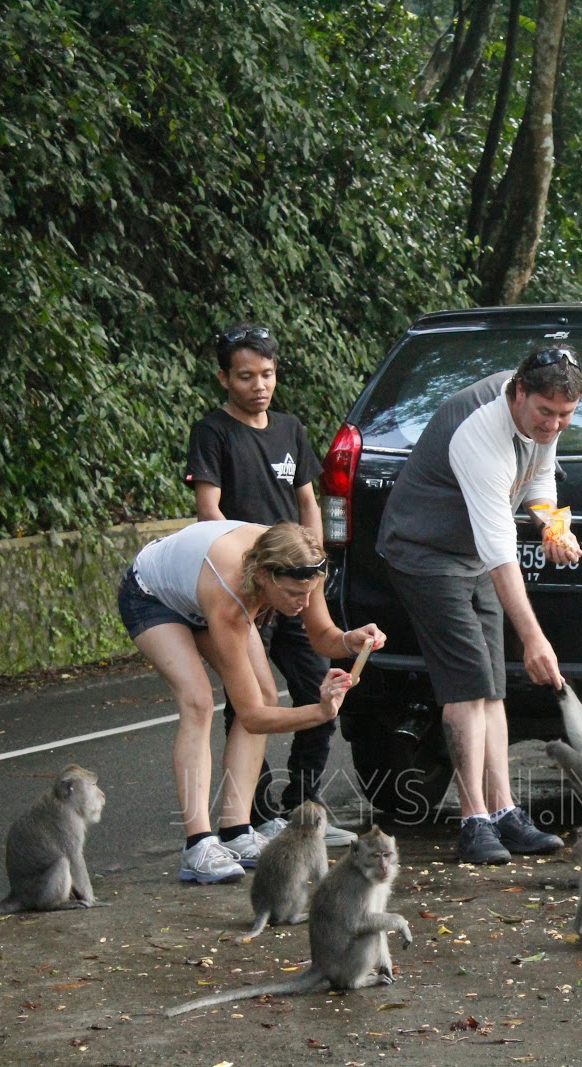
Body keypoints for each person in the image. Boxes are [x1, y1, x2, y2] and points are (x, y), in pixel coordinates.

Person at [376, 345, 582, 863]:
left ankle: (504, 812)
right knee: (467, 683)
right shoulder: (480, 434)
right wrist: (535, 639)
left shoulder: (543, 417)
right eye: (545, 413)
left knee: (492, 686)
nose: (555, 424)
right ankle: (473, 820)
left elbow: (539, 476)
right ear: (518, 393)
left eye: (565, 416)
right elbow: (500, 552)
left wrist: (554, 527)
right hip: (424, 553)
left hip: (469, 553)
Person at [118, 520, 385, 884]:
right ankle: (198, 845)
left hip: (202, 591)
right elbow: (253, 718)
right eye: (293, 594)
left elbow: (322, 637)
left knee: (264, 691)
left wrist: (350, 640)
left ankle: (236, 830)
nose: (302, 603)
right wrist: (319, 712)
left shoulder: (305, 564)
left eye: (308, 593)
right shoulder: (230, 596)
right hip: (152, 596)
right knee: (197, 700)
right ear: (264, 576)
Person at [185, 322, 356, 848]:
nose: (259, 385)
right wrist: (245, 573)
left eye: (268, 374)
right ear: (223, 378)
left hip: (297, 584)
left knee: (321, 688)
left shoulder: (289, 428)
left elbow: (308, 501)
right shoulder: (213, 432)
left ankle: (304, 806)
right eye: (245, 376)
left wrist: (315, 562)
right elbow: (209, 512)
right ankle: (254, 817)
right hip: (246, 588)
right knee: (248, 703)